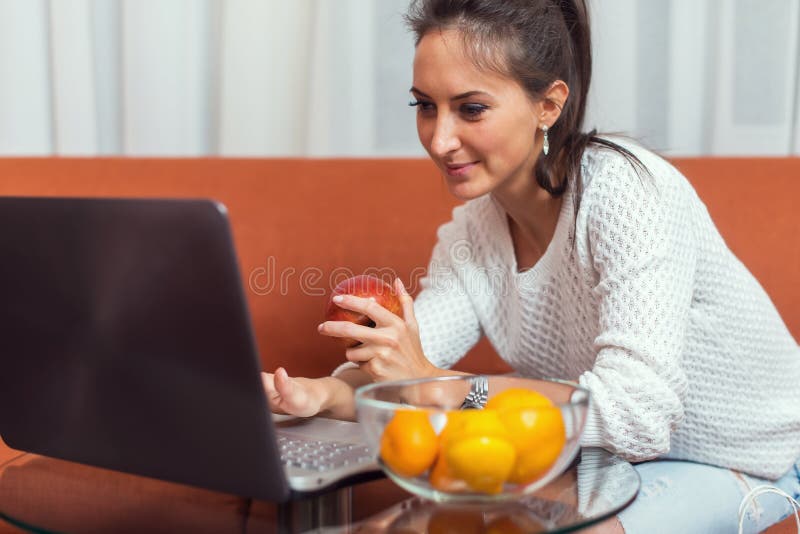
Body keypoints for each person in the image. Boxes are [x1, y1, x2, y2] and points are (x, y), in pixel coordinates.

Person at [261, 0, 800, 531]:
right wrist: (321, 394)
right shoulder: (473, 232)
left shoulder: (626, 194)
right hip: (608, 464)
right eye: (425, 106)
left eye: (471, 109)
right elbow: (410, 368)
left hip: (756, 456)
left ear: (548, 105)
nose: (439, 139)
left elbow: (639, 417)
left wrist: (438, 384)